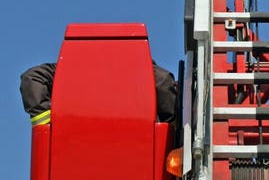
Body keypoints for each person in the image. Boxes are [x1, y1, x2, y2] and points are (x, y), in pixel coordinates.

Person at [20, 60, 176, 126]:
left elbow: (32, 78)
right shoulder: (144, 70)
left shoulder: (75, 69)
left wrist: (49, 126)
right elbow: (164, 84)